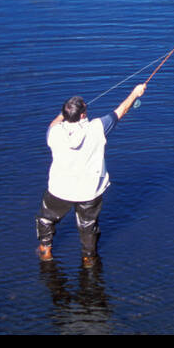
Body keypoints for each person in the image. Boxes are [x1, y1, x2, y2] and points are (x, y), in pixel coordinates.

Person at [36, 82, 146, 265]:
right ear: (83, 115)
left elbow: (54, 123)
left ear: (65, 115)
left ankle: (46, 250)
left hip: (59, 189)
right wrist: (135, 93)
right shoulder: (97, 128)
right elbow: (122, 110)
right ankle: (88, 258)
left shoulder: (54, 133)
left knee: (46, 219)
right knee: (88, 226)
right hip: (89, 191)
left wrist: (62, 115)